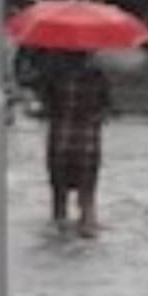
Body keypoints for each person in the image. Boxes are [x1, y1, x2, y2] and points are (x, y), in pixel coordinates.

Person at [38, 52, 109, 236]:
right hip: (88, 144)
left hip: (60, 142)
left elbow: (46, 106)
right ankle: (87, 227)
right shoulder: (98, 77)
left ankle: (60, 228)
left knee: (59, 195)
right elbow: (105, 108)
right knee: (87, 195)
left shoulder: (55, 76)